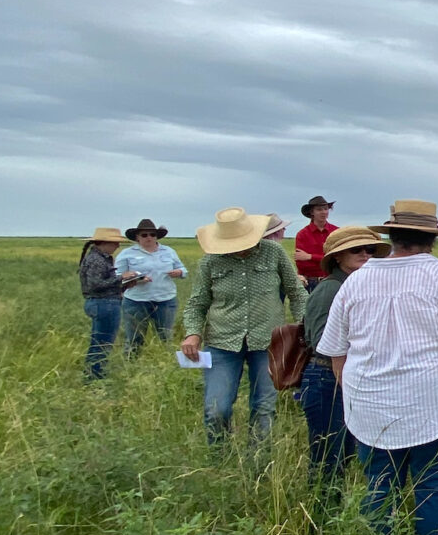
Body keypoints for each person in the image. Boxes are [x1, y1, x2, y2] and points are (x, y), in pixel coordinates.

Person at [316, 199, 438, 535]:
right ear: (431, 237)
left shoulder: (357, 280)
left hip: (370, 403)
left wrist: (353, 395)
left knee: (380, 482)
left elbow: (337, 352)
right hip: (433, 401)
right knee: (435, 481)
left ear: (391, 235)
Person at [180, 207, 307, 449]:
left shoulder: (273, 253)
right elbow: (197, 303)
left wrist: (304, 329)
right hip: (222, 343)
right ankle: (220, 459)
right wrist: (193, 334)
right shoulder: (211, 261)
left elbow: (297, 293)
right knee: (216, 409)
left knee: (264, 407)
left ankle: (257, 463)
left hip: (269, 342)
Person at [298, 225, 387, 494]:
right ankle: (320, 512)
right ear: (338, 256)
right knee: (328, 454)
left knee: (345, 452)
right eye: (355, 250)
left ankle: (330, 507)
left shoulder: (356, 285)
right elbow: (320, 341)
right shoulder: (330, 289)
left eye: (370, 249)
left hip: (347, 377)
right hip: (326, 377)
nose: (365, 254)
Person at [115, 218, 186, 352]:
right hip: (136, 301)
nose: (149, 238)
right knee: (134, 339)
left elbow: (183, 269)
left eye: (152, 234)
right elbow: (116, 276)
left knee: (165, 337)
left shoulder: (169, 251)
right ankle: (131, 366)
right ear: (137, 237)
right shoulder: (126, 254)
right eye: (144, 235)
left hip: (165, 300)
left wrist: (179, 272)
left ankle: (165, 363)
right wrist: (133, 277)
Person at [78, 226, 137, 380]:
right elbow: (95, 284)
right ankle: (94, 376)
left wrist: (125, 285)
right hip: (104, 304)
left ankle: (94, 373)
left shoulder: (99, 257)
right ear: (103, 243)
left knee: (100, 341)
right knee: (102, 343)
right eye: (115, 243)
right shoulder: (96, 260)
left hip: (103, 303)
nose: (117, 246)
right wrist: (122, 278)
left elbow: (103, 284)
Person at [294, 196, 337, 287]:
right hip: (310, 282)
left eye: (326, 209)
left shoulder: (336, 232)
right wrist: (326, 259)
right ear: (312, 212)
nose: (324, 212)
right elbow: (302, 265)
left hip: (333, 280)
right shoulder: (302, 234)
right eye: (319, 209)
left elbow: (338, 259)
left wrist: (310, 257)